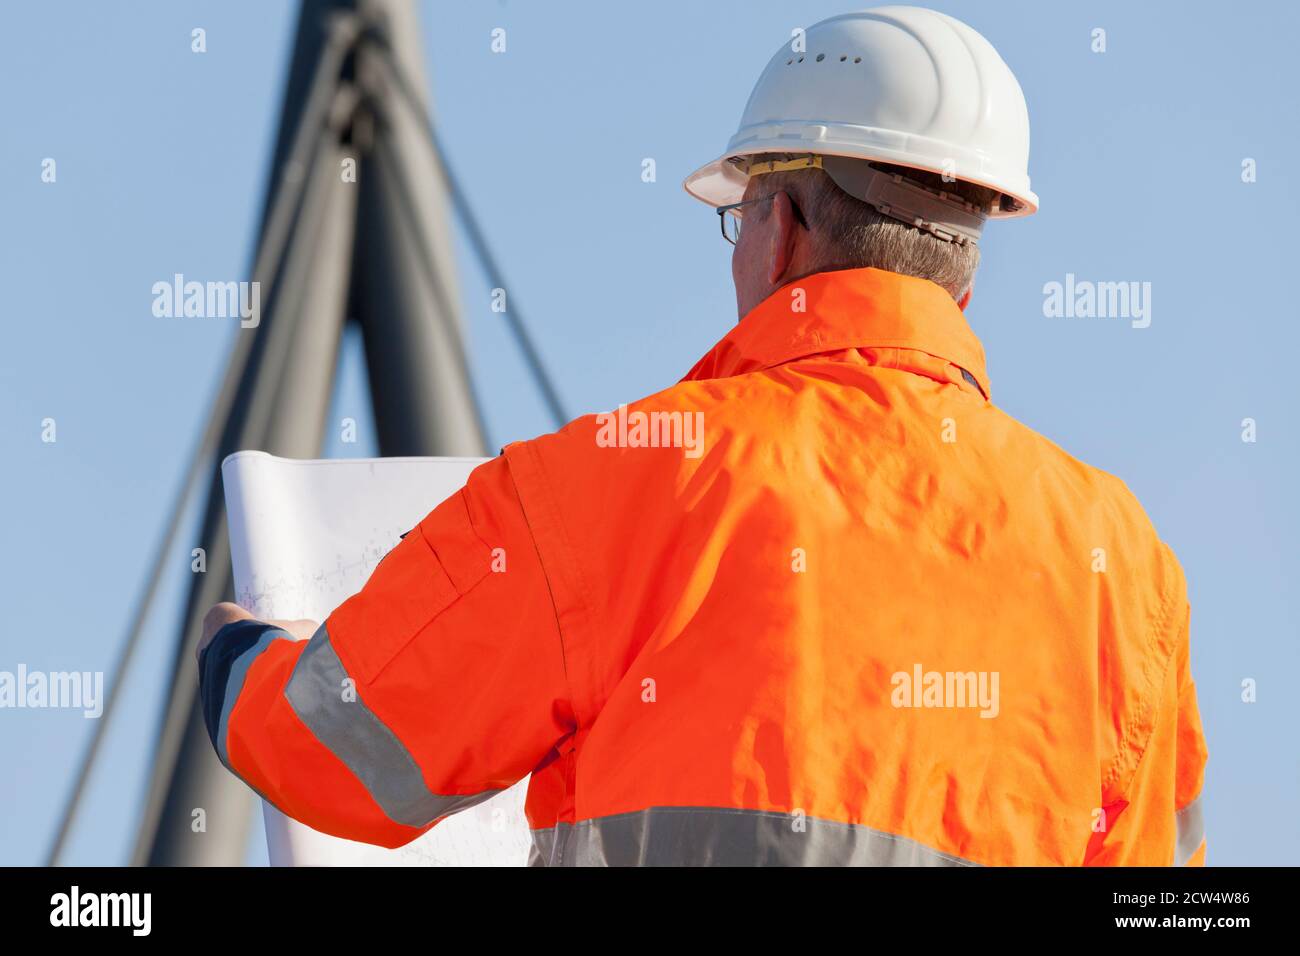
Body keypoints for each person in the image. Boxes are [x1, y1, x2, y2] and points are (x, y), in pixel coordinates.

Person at [198, 6, 1207, 866]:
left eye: (740, 222)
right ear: (963, 275)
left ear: (780, 232)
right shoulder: (1120, 564)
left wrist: (238, 657)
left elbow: (341, 748)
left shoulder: (622, 481)